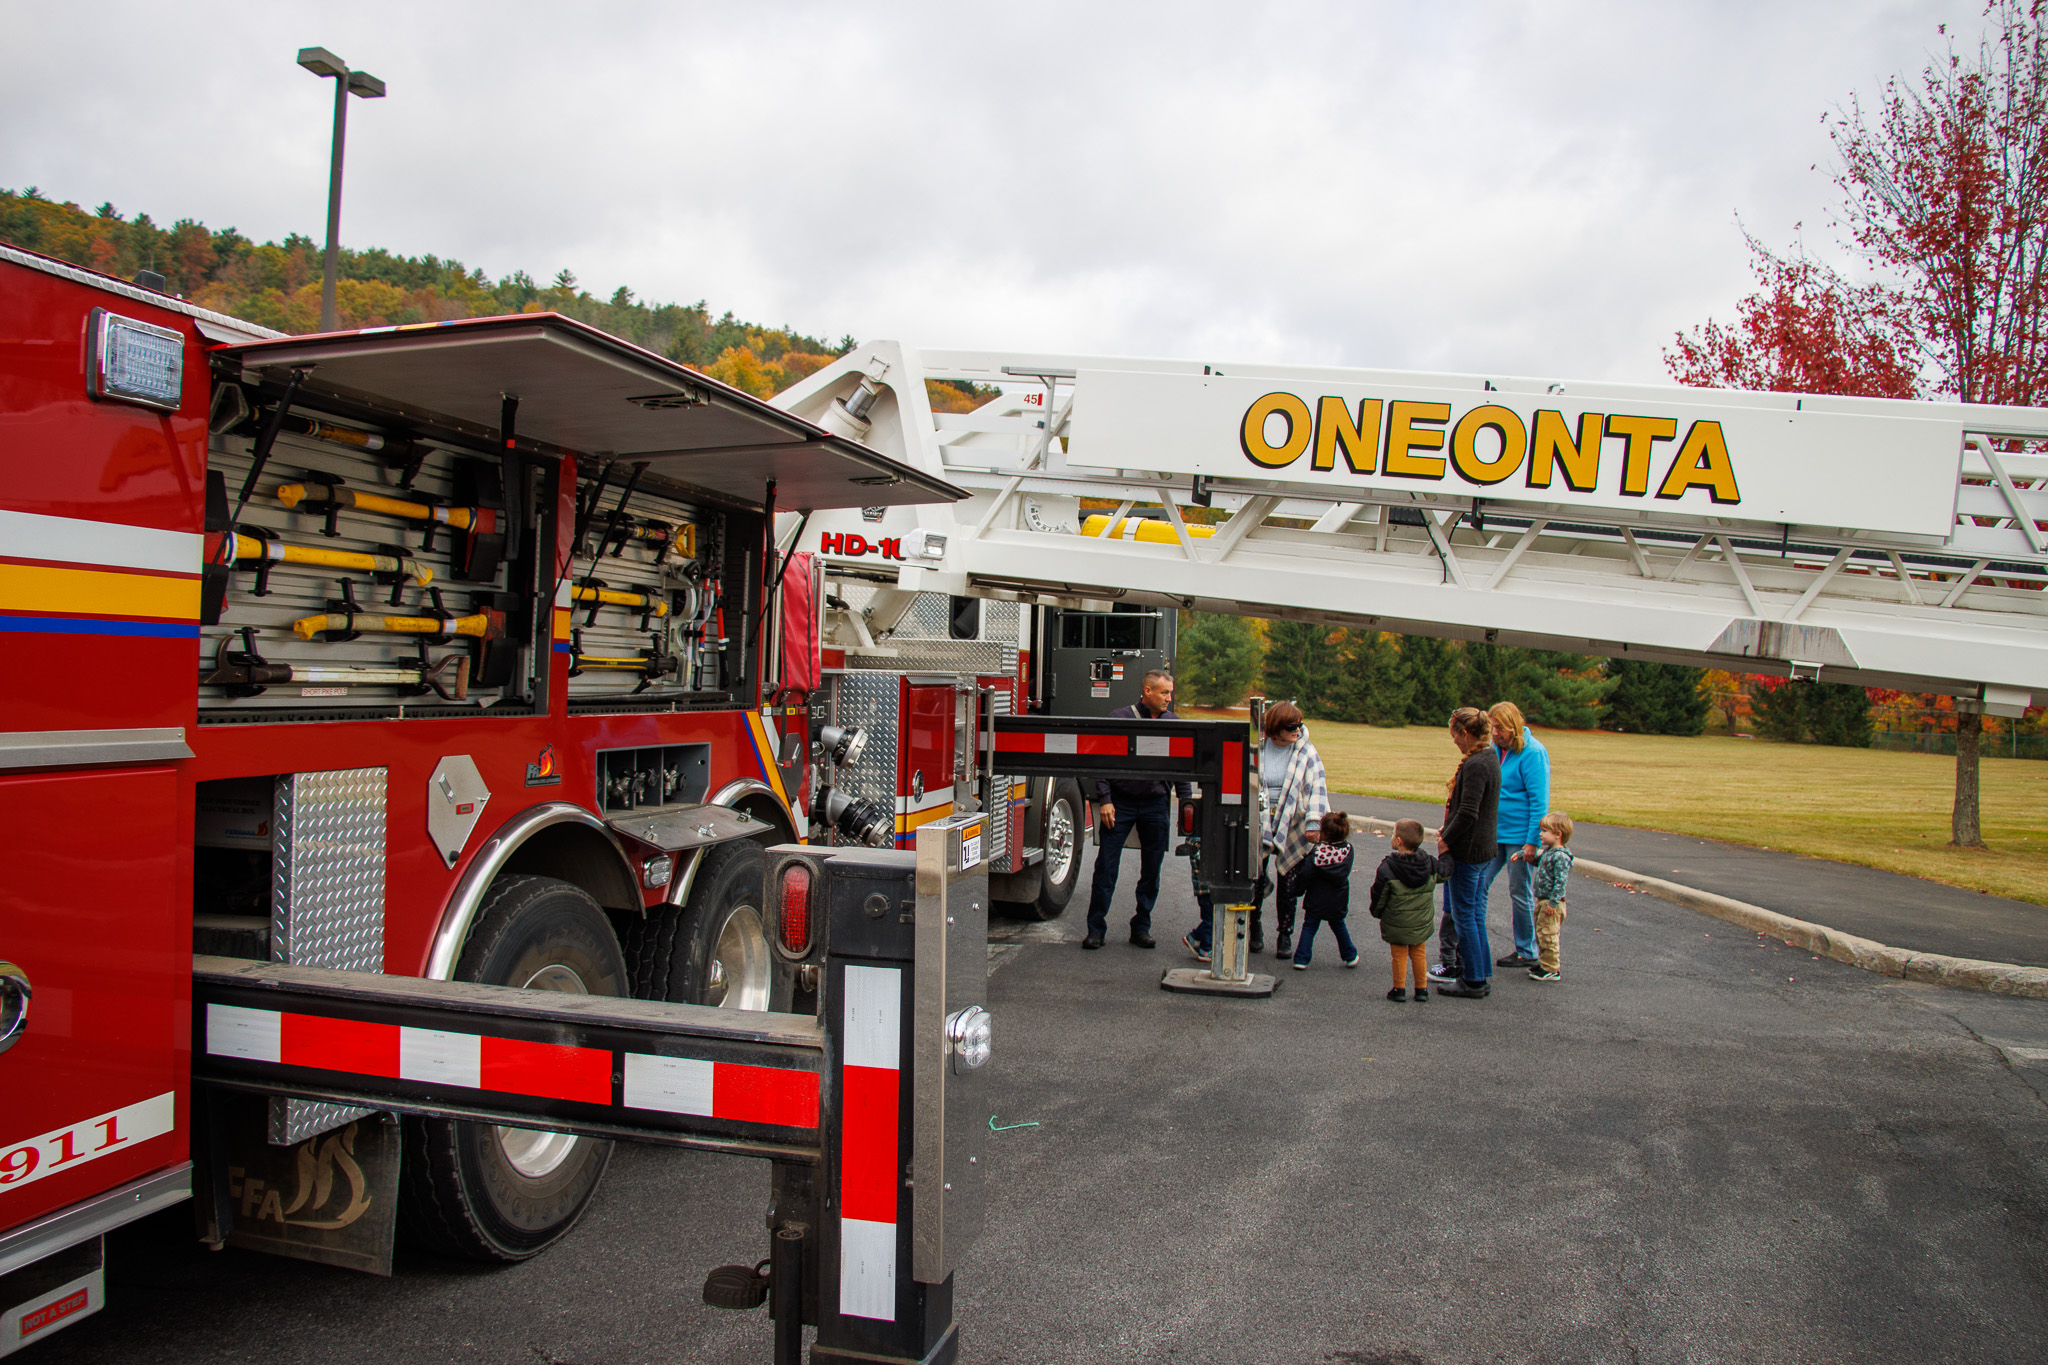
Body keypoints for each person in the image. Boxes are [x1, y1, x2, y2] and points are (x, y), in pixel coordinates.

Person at [1082, 670, 1191, 950]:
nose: (1169, 698)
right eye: (1164, 693)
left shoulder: (1172, 722)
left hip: (1156, 805)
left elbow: (1181, 766)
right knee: (1106, 868)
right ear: (1147, 691)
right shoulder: (1120, 718)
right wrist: (1104, 799)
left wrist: (1187, 803)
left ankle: (1141, 926)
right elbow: (1100, 760)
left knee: (1152, 872)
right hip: (1120, 803)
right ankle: (1096, 929)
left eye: (1170, 692)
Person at [1476, 701, 1551, 971]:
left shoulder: (1533, 753)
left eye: (1498, 728)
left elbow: (1539, 802)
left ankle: (1526, 949)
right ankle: (1474, 941)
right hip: (1494, 833)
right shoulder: (1496, 751)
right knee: (1478, 883)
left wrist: (1533, 841)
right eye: (1492, 727)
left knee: (1519, 891)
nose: (1493, 733)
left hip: (1520, 837)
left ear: (1512, 727)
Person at [1433, 708, 1501, 999]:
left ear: (1466, 733)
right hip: (1483, 848)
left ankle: (1472, 979)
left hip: (1469, 851)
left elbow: (1468, 812)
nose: (1454, 741)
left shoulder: (1475, 765)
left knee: (1464, 916)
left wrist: (1445, 839)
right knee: (1474, 915)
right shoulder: (1489, 757)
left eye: (1454, 735)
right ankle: (1480, 972)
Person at [1259, 700, 1330, 959]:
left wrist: (1314, 824)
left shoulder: (1306, 752)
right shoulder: (1259, 747)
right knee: (1255, 874)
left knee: (1288, 880)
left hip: (1294, 819)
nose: (1297, 730)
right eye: (1291, 726)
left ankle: (1284, 933)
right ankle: (1254, 926)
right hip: (1261, 817)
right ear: (1276, 728)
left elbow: (1316, 787)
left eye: (1299, 725)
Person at [1371, 818, 1449, 1002]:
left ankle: (1399, 988)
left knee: (1398, 955)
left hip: (1397, 921)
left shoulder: (1388, 867)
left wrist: (1377, 912)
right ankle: (1421, 989)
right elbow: (1446, 872)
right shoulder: (1430, 864)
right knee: (1419, 954)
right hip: (1420, 921)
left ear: (1399, 841)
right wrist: (1444, 853)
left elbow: (1379, 895)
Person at [1291, 811, 1359, 970]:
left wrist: (1297, 890)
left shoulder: (1317, 853)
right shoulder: (1348, 851)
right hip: (1338, 898)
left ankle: (1301, 958)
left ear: (1324, 833)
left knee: (1309, 927)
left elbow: (1305, 874)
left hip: (1316, 897)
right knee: (1338, 925)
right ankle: (1349, 955)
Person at [1528, 812, 1575, 981]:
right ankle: (1544, 963)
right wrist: (1522, 855)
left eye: (1545, 831)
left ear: (1558, 834)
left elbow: (1560, 883)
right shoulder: (1549, 852)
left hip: (1551, 902)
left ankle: (1551, 969)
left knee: (1549, 935)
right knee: (1541, 933)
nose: (1540, 834)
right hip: (1543, 900)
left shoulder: (1560, 856)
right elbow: (1538, 862)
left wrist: (1554, 903)